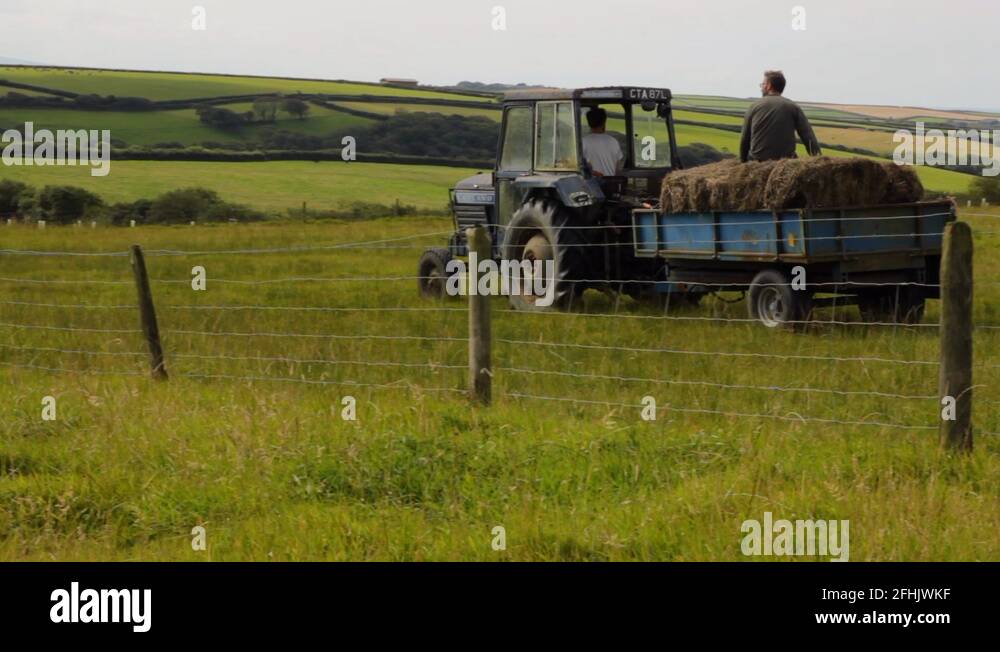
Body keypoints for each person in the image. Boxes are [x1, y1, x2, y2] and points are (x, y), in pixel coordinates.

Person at [739, 70, 822, 163]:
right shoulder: (793, 106)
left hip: (757, 161)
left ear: (769, 85)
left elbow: (744, 138)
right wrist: (819, 161)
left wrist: (743, 162)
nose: (761, 87)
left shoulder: (754, 106)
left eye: (762, 84)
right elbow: (808, 136)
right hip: (785, 163)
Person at [582, 107, 624, 177]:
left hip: (592, 185)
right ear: (604, 122)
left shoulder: (583, 142)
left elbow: (583, 167)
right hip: (611, 184)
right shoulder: (613, 141)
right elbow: (618, 168)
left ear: (589, 123)